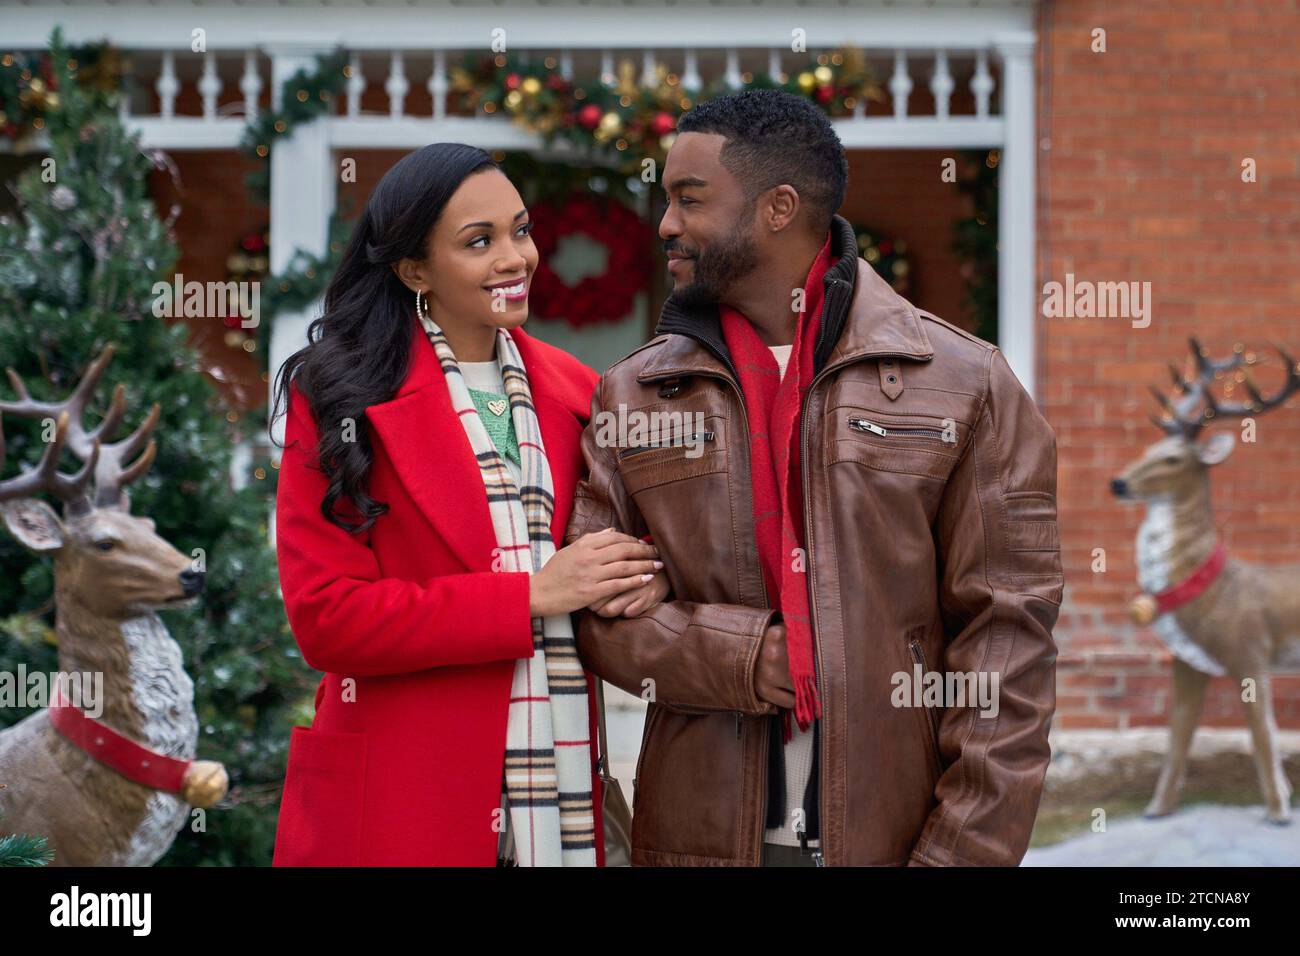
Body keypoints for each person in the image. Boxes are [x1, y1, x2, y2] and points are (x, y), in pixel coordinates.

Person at [566, 90, 1064, 866]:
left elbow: (1006, 647)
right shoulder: (630, 394)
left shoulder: (969, 385)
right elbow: (594, 615)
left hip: (895, 843)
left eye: (688, 200)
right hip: (693, 844)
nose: (665, 223)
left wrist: (957, 856)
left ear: (778, 207)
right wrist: (746, 655)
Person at [270, 143, 667, 866]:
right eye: (479, 242)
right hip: (405, 794)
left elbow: (629, 552)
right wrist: (529, 597)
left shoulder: (585, 390)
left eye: (521, 230)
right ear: (414, 269)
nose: (515, 257)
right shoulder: (337, 398)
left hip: (563, 783)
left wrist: (642, 577)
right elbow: (327, 619)